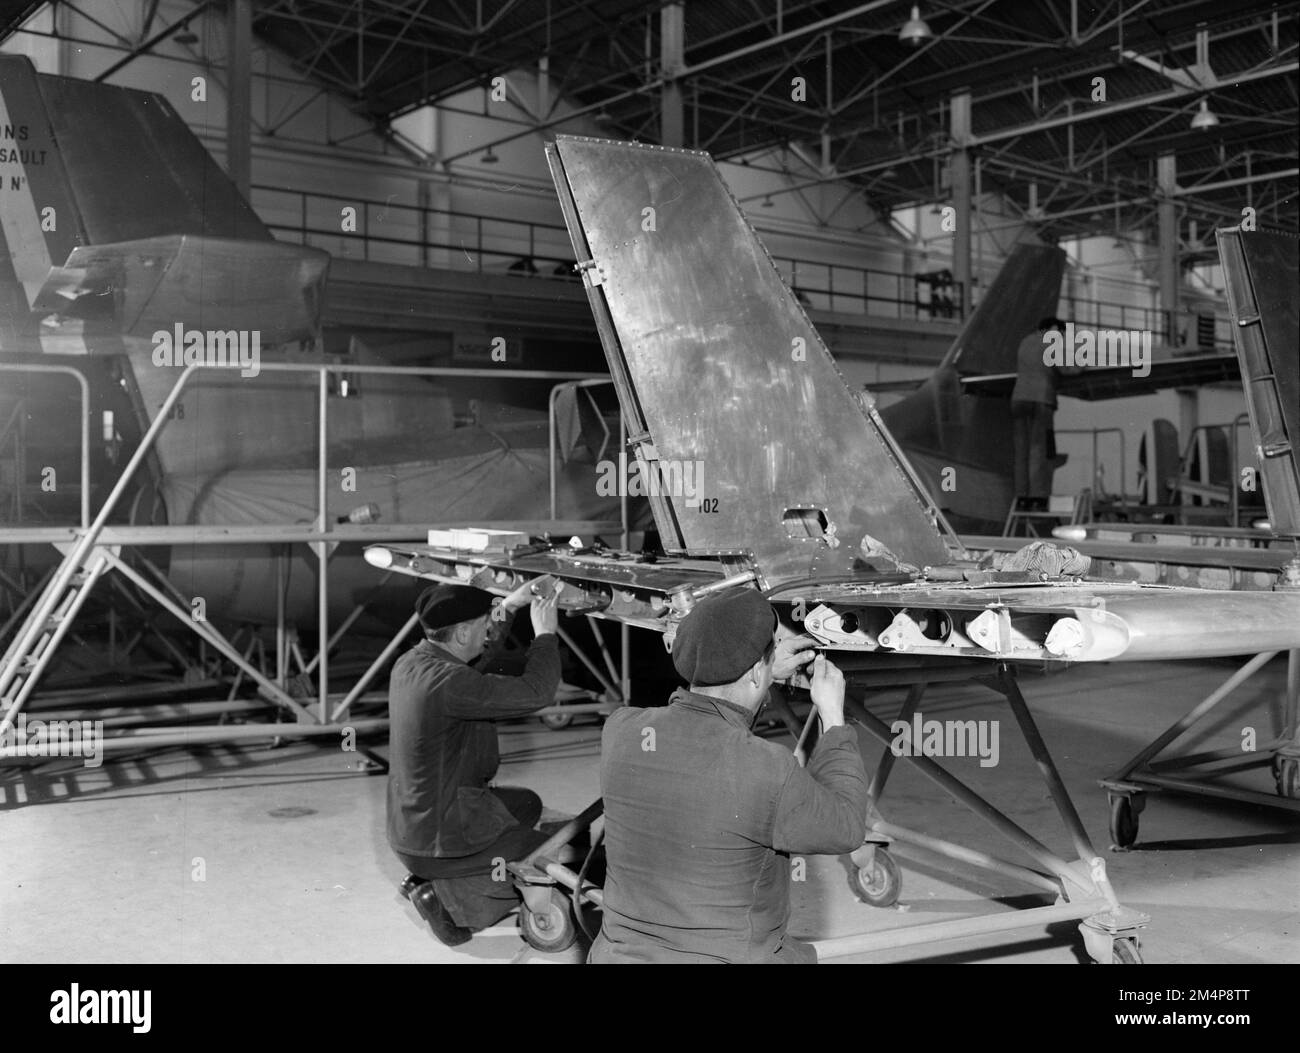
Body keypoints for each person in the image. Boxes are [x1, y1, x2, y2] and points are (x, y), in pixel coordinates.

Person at [589, 588, 870, 963]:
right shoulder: (769, 766)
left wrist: (761, 672)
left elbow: (709, 728)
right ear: (756, 671)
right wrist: (832, 718)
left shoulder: (621, 731)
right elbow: (847, 827)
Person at [388, 581, 564, 946]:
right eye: (485, 623)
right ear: (464, 631)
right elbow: (538, 692)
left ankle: (432, 876)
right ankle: (446, 899)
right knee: (551, 851)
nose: (489, 630)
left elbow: (476, 654)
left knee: (526, 804)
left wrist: (509, 607)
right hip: (438, 840)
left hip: (414, 826)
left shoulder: (414, 663)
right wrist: (545, 635)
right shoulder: (452, 684)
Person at [1011, 316, 1068, 506]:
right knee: (1038, 449)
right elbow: (1067, 369)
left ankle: (1021, 497)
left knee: (1022, 451)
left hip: (1018, 399)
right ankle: (1037, 497)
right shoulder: (1050, 341)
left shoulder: (1025, 341)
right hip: (1040, 399)